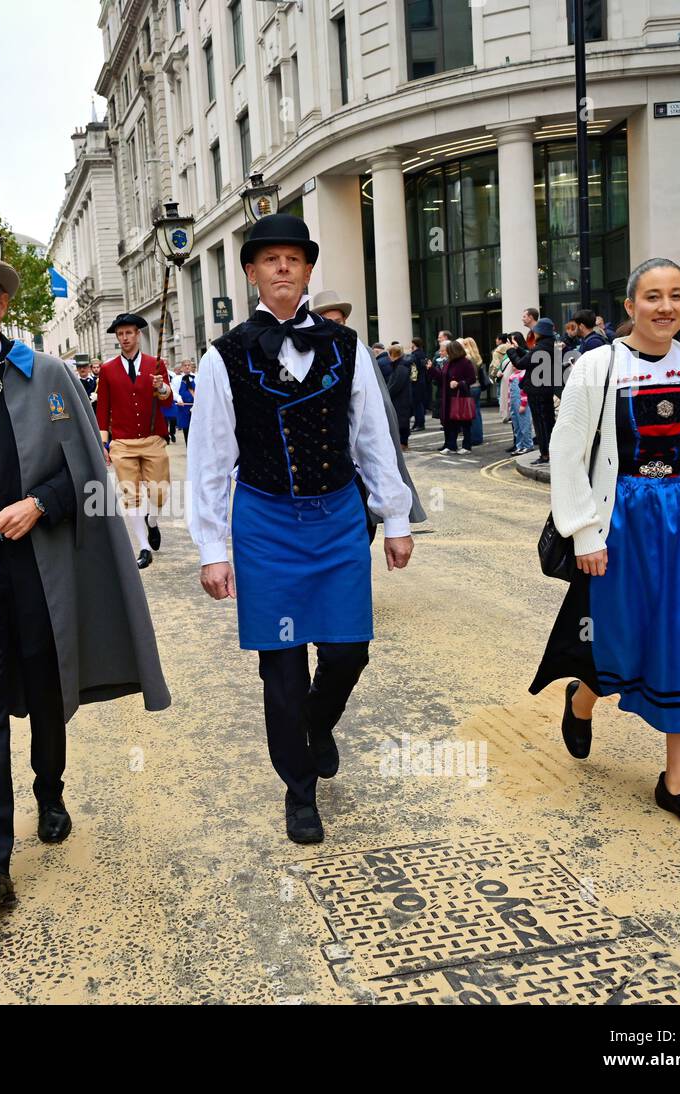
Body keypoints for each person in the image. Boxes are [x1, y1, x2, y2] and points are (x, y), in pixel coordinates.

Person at [0, 233, 170, 911]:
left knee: (46, 695)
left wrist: (41, 503)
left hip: (41, 579)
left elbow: (86, 477)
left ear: (4, 302)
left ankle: (50, 790)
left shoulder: (49, 376)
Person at [186, 214, 414, 845]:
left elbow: (372, 439)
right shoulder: (221, 357)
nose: (283, 267)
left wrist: (395, 516)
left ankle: (319, 723)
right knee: (281, 667)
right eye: (270, 258)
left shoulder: (347, 348)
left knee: (348, 651)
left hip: (339, 517)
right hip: (264, 524)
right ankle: (299, 788)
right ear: (252, 272)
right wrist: (213, 548)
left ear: (309, 269)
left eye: (294, 258)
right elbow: (209, 459)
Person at [530, 257, 680, 837]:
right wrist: (584, 533)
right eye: (653, 296)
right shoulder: (597, 367)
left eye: (676, 295)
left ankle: (675, 785)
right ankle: (583, 697)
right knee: (618, 641)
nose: (666, 306)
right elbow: (568, 452)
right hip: (619, 516)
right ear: (630, 307)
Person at [308, 288, 426, 538]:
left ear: (345, 321)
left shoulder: (355, 350)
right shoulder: (309, 351)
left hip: (354, 465)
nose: (333, 327)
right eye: (327, 321)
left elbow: (378, 410)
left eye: (337, 322)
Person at [95, 313, 175, 568]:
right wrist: (103, 443)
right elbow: (103, 408)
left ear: (138, 335)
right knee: (131, 495)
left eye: (129, 333)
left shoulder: (156, 364)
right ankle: (142, 546)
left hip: (153, 439)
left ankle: (152, 521)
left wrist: (161, 387)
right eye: (120, 334)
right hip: (122, 443)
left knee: (159, 493)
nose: (125, 338)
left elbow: (168, 401)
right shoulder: (107, 370)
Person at [511, 317, 559, 465]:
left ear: (541, 332)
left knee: (540, 424)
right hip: (547, 389)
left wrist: (511, 351)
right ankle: (552, 452)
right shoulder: (553, 346)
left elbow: (521, 363)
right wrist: (518, 348)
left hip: (537, 391)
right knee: (549, 422)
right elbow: (530, 356)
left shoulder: (540, 348)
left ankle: (545, 454)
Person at [429, 340, 478, 454]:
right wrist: (431, 369)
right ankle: (451, 446)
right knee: (451, 423)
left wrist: (459, 383)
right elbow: (442, 377)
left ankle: (466, 446)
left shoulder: (465, 362)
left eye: (448, 351)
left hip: (461, 396)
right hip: (448, 396)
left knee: (464, 422)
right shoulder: (448, 362)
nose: (445, 353)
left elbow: (472, 379)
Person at [506, 346, 535, 456]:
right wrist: (510, 405)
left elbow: (524, 392)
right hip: (514, 404)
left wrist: (523, 404)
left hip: (522, 405)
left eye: (515, 364)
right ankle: (519, 445)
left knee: (524, 425)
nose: (513, 366)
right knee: (517, 426)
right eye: (512, 364)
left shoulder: (523, 374)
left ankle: (527, 445)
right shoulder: (512, 376)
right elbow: (510, 393)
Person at [459, 335, 486, 447]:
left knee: (471, 414)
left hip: (470, 387)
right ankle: (478, 436)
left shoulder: (467, 357)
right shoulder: (476, 357)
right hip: (478, 386)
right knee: (477, 412)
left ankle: (474, 438)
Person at [386, 343, 413, 450]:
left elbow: (396, 385)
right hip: (401, 400)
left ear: (393, 354)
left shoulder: (401, 367)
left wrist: (387, 393)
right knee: (400, 421)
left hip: (401, 400)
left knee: (402, 422)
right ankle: (402, 443)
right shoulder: (399, 366)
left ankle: (403, 443)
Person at [409, 336, 430, 431]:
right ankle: (418, 423)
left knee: (417, 404)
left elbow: (412, 367)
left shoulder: (414, 355)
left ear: (414, 344)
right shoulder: (423, 354)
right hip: (422, 381)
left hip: (415, 382)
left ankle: (419, 423)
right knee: (419, 403)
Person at [175, 359, 196, 443]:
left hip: (195, 407)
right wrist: (179, 399)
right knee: (186, 428)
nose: (187, 367)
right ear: (181, 368)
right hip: (183, 407)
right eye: (185, 365)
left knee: (196, 428)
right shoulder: (177, 379)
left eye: (189, 365)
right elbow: (174, 391)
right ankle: (188, 447)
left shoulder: (197, 377)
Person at [161, 361, 180, 444]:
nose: (165, 365)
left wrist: (178, 397)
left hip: (171, 397)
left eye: (166, 363)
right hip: (161, 398)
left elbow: (175, 386)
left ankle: (172, 433)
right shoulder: (158, 373)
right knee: (164, 419)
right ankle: (166, 435)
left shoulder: (172, 374)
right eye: (163, 363)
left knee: (173, 418)